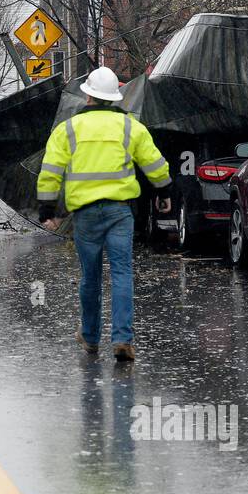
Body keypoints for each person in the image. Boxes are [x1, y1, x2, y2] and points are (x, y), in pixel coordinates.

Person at [36, 66, 172, 362]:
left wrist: (47, 206)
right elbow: (154, 163)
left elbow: (50, 170)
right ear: (114, 98)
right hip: (119, 212)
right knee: (122, 273)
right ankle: (123, 339)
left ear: (87, 95)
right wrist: (165, 192)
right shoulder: (130, 127)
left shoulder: (68, 129)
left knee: (91, 277)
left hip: (85, 215)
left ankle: (90, 337)